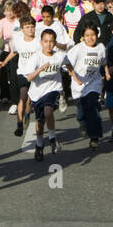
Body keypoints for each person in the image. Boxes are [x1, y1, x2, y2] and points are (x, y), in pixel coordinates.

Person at [24, 27, 67, 161]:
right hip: (37, 92)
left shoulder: (59, 55)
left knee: (48, 111)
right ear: (41, 42)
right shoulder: (36, 57)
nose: (48, 44)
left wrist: (75, 78)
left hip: (53, 89)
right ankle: (39, 144)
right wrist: (40, 69)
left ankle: (52, 139)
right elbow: (29, 78)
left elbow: (68, 64)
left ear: (55, 43)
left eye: (51, 41)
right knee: (40, 121)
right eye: (46, 41)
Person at [66, 23, 106, 150]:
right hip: (79, 86)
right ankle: (82, 123)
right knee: (81, 113)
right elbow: (66, 63)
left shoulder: (101, 47)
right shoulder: (78, 49)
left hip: (94, 83)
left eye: (93, 35)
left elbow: (104, 62)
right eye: (87, 35)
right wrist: (73, 75)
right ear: (83, 37)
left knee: (92, 106)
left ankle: (94, 137)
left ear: (97, 35)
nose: (90, 38)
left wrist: (107, 73)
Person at [0, 14, 39, 137]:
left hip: (36, 74)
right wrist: (4, 62)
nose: (30, 29)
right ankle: (19, 123)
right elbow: (14, 52)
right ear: (22, 29)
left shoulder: (39, 42)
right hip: (22, 72)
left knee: (29, 100)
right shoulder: (18, 41)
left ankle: (27, 114)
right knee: (22, 96)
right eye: (27, 27)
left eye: (32, 27)